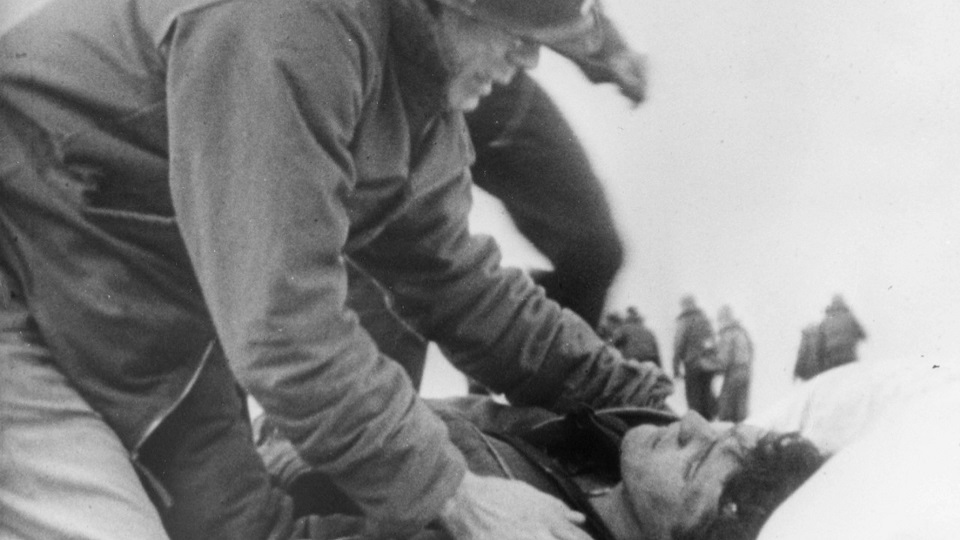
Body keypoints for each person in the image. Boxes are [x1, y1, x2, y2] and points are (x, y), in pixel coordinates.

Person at [0, 1, 676, 539]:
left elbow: (458, 287)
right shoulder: (286, 27)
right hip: (30, 237)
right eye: (516, 26)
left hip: (131, 271)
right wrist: (455, 495)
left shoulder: (416, 90)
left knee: (226, 527)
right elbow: (285, 336)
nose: (530, 55)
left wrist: (638, 398)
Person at [346, 3, 647, 388]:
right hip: (399, 62)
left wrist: (608, 49)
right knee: (390, 261)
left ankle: (544, 406)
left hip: (495, 89)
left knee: (594, 249)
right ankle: (362, 429)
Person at [257, 400, 826, 540]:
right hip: (311, 413)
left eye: (698, 457)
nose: (692, 420)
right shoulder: (611, 452)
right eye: (722, 429)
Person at [672, 295, 719, 419]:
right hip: (707, 365)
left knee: (694, 400)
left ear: (684, 306)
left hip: (693, 365)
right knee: (707, 396)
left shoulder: (684, 321)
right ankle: (713, 425)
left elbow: (679, 345)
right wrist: (709, 357)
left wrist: (676, 368)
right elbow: (711, 342)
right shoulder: (704, 319)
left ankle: (698, 428)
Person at [714, 305, 754, 422]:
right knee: (741, 410)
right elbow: (751, 350)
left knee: (725, 409)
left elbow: (723, 360)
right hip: (746, 372)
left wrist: (713, 368)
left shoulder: (727, 333)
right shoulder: (742, 331)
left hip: (733, 373)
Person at [818, 295, 866, 372]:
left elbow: (821, 339)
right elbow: (861, 332)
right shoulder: (849, 316)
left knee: (837, 376)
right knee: (852, 374)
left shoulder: (826, 320)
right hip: (848, 351)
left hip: (832, 353)